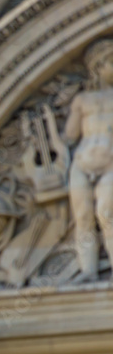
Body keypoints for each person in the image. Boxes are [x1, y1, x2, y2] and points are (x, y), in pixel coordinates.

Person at [64, 39, 113, 281]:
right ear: (98, 66)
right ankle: (88, 271)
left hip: (111, 165)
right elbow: (70, 136)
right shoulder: (82, 100)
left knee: (107, 213)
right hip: (81, 164)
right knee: (83, 218)